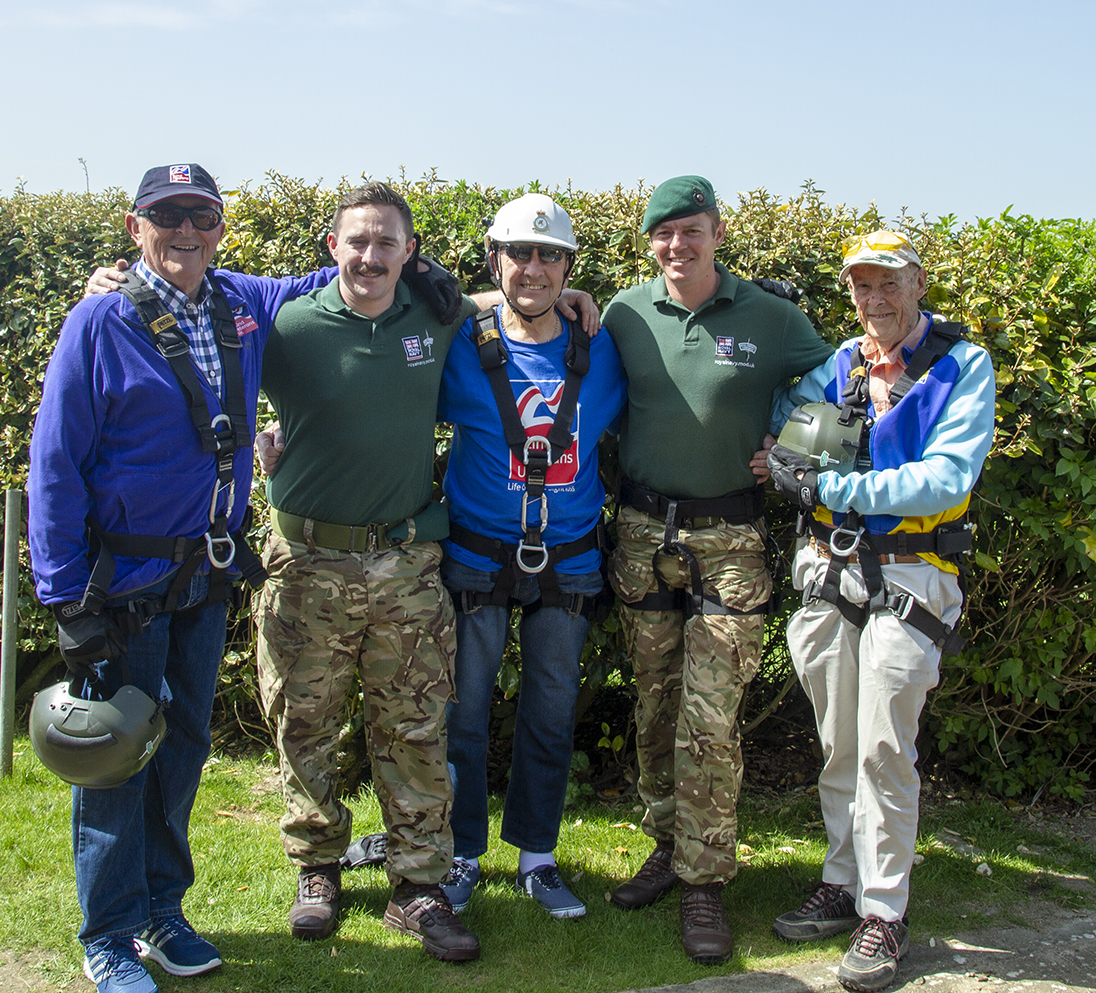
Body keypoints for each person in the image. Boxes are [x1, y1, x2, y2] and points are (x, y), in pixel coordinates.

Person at [28, 163, 338, 993]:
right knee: (114, 757)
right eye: (167, 216)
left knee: (184, 749)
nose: (186, 231)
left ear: (221, 226)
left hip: (205, 577)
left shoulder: (241, 301)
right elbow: (54, 465)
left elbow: (346, 268)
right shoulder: (97, 320)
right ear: (136, 228)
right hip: (120, 587)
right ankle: (111, 934)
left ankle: (164, 911)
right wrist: (63, 596)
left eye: (201, 215)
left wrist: (521, 297)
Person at [602, 176, 834, 964]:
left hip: (728, 541)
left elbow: (842, 380)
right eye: (663, 234)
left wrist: (803, 450)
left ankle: (704, 882)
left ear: (717, 232)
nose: (677, 246)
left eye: (690, 231)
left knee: (709, 720)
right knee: (655, 706)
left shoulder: (771, 316)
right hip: (640, 535)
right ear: (649, 243)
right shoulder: (623, 311)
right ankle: (665, 846)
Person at [254, 180, 482, 961]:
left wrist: (581, 293)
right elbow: (200, 346)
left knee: (414, 727)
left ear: (410, 252)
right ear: (331, 248)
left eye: (387, 241)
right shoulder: (286, 327)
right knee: (304, 721)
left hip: (406, 565)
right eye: (356, 240)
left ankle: (419, 887)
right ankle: (316, 867)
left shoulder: (438, 316)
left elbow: (519, 301)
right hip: (306, 564)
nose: (370, 255)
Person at [763, 230, 995, 992]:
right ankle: (840, 877)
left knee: (882, 749)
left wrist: (837, 488)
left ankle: (882, 910)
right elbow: (791, 449)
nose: (875, 299)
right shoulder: (837, 365)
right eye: (861, 286)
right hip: (829, 573)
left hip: (912, 575)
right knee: (836, 742)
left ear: (918, 283)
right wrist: (792, 461)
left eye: (888, 283)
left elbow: (944, 480)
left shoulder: (961, 367)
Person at [434, 194, 627, 919]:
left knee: (549, 711)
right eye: (519, 252)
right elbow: (396, 300)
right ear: (494, 260)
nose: (534, 267)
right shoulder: (459, 342)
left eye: (550, 256)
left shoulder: (604, 344)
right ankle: (460, 852)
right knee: (465, 712)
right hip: (477, 554)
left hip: (570, 557)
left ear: (570, 267)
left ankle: (538, 857)